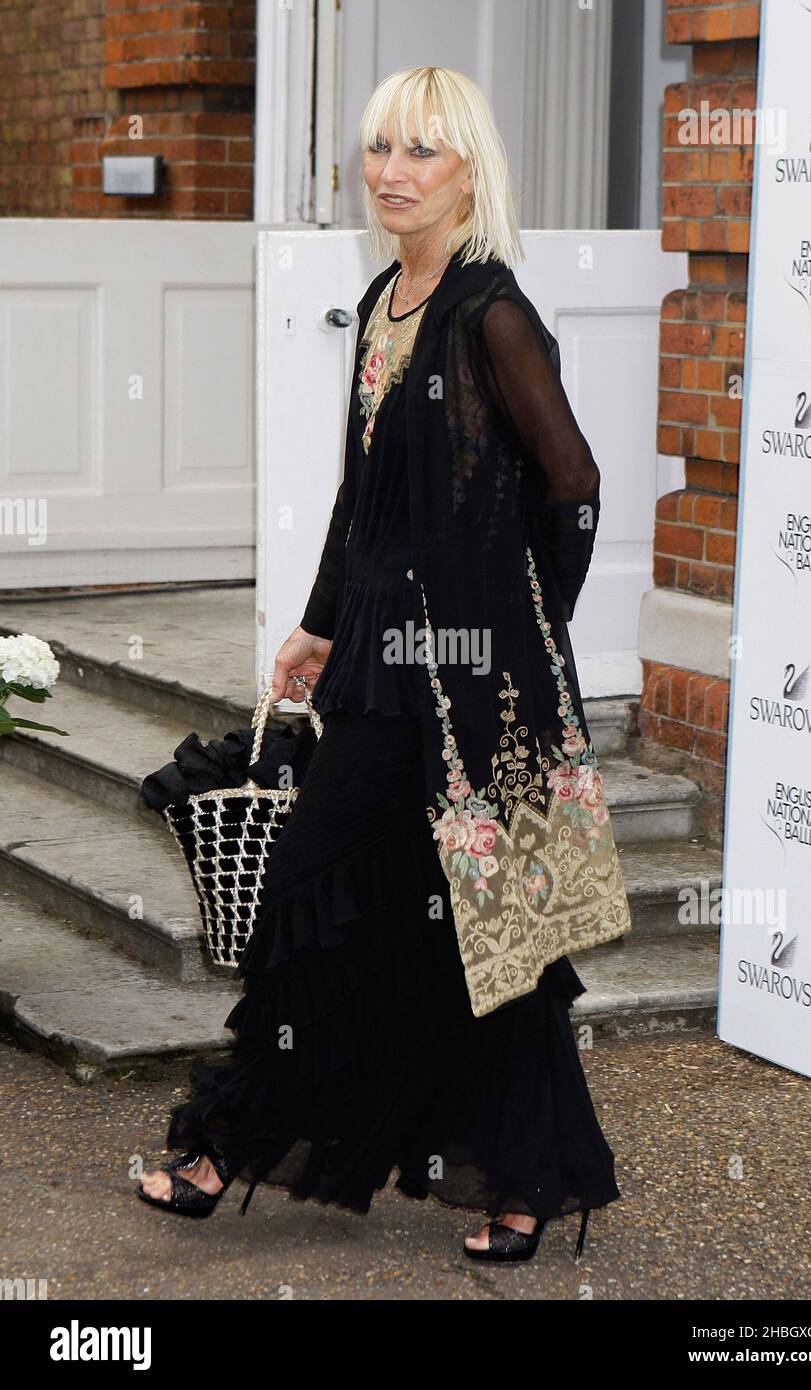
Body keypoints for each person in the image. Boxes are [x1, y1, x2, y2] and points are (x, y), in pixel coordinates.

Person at [137, 64, 632, 1265]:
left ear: (469, 168)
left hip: (472, 681)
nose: (393, 172)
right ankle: (244, 1142)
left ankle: (521, 1180)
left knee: (494, 929)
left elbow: (574, 484)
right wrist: (316, 622)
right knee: (340, 898)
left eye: (421, 151)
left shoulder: (489, 311)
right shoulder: (384, 299)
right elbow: (365, 495)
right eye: (378, 151)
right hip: (376, 665)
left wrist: (525, 639)